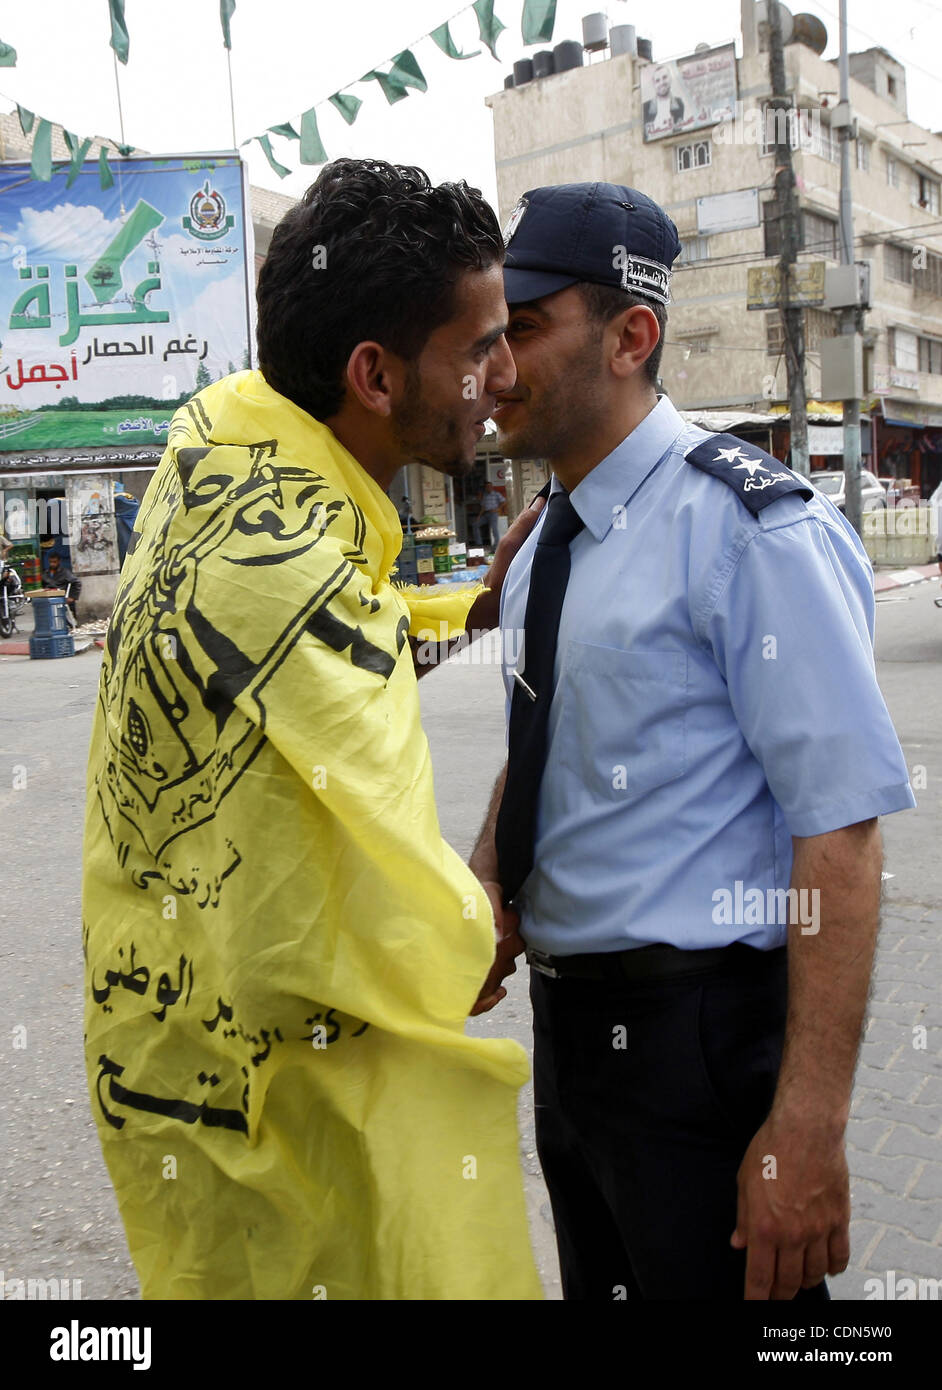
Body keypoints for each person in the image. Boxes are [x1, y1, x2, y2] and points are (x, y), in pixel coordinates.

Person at [81, 158, 544, 1301]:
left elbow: (334, 631)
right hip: (267, 1089)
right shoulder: (294, 569)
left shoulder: (222, 449)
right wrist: (481, 914)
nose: (506, 373)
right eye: (480, 344)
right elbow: (424, 904)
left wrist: (473, 604)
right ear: (374, 375)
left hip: (160, 1044)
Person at [469, 181, 916, 1301]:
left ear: (633, 336)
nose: (494, 369)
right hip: (572, 1044)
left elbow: (842, 831)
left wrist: (807, 1128)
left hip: (704, 1045)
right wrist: (491, 879)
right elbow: (543, 735)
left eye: (523, 329)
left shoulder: (752, 531)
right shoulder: (542, 543)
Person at [642, 65, 685, 134]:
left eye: (664, 77)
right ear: (654, 84)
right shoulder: (645, 107)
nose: (662, 83)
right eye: (657, 80)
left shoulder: (679, 103)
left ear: (670, 78)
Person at [42, 551, 80, 621]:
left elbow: (77, 583)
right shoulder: (46, 573)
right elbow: (44, 585)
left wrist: (72, 597)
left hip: (62, 597)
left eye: (54, 562)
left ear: (59, 561)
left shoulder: (65, 572)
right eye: (51, 562)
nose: (52, 564)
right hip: (49, 599)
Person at [479, 480, 503, 550]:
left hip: (493, 514)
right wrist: (479, 516)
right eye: (487, 487)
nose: (488, 488)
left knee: (494, 529)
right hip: (486, 514)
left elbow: (504, 501)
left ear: (492, 487)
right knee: (475, 525)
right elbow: (483, 507)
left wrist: (498, 509)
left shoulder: (496, 494)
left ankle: (496, 546)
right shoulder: (485, 495)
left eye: (490, 486)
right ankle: (479, 543)